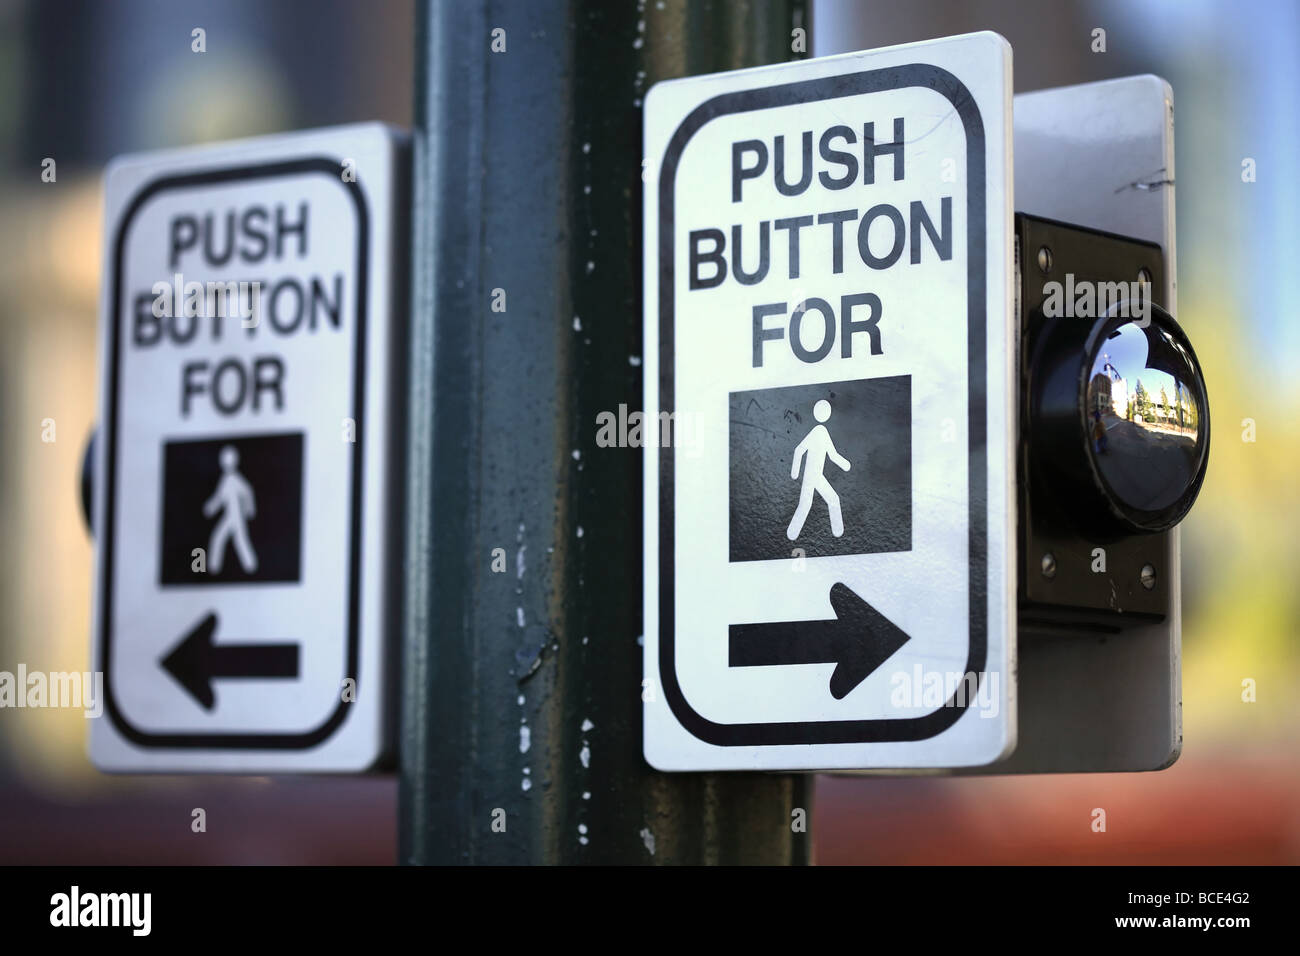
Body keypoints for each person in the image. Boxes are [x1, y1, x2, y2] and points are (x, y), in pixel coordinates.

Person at [786, 399, 851, 541]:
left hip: (814, 476)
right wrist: (795, 472)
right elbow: (800, 450)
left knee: (811, 503)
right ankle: (792, 533)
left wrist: (845, 464)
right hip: (813, 476)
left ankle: (793, 533)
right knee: (823, 501)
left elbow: (832, 455)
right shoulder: (818, 432)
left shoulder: (820, 432)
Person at [203, 445, 258, 573]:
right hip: (230, 516)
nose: (225, 462)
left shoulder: (236, 479)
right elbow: (220, 497)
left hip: (237, 517)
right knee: (219, 538)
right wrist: (211, 507)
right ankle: (214, 567)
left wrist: (249, 508)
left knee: (240, 541)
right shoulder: (226, 479)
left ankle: (250, 566)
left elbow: (247, 492)